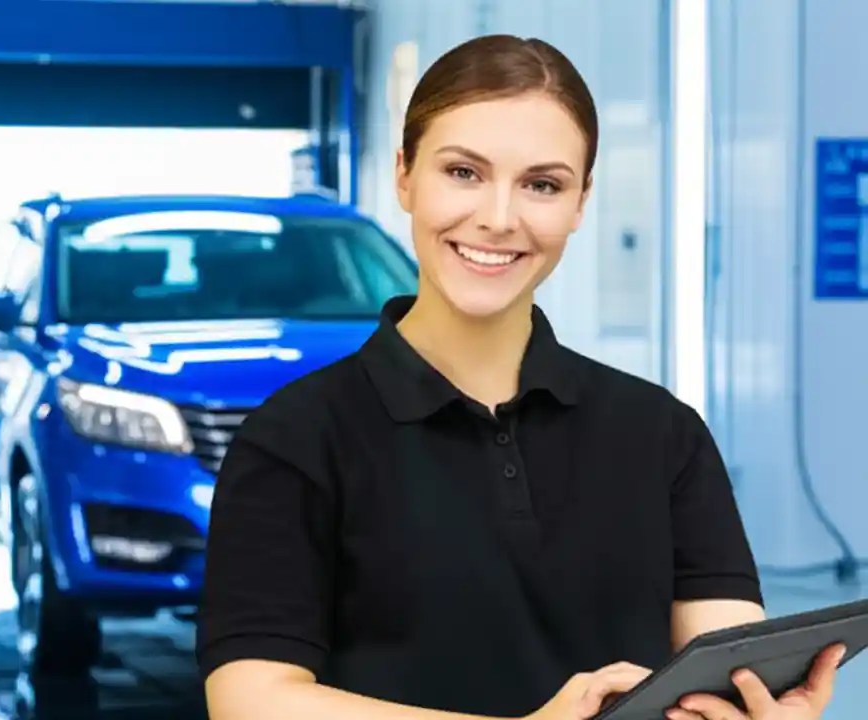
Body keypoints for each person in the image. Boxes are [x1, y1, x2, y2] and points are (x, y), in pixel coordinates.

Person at [195, 34, 846, 720]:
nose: (498, 219)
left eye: (542, 184)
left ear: (580, 202)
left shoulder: (661, 433)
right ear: (404, 175)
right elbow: (251, 699)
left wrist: (759, 709)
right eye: (463, 173)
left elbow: (723, 659)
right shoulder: (295, 437)